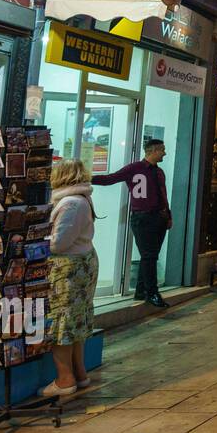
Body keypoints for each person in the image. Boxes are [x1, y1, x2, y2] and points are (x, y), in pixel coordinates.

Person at [40, 159, 101, 398]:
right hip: (81, 263)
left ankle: (64, 379)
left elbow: (59, 243)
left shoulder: (70, 203)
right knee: (76, 319)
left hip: (68, 269)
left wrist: (35, 242)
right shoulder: (81, 199)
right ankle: (80, 372)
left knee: (62, 320)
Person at [92, 138, 171, 308]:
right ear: (153, 151)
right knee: (149, 255)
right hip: (142, 217)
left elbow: (163, 196)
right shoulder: (135, 168)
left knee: (150, 256)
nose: (165, 153)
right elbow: (110, 178)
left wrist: (168, 216)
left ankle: (141, 290)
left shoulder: (159, 172)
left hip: (159, 217)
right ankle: (152, 293)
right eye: (162, 150)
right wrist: (86, 179)